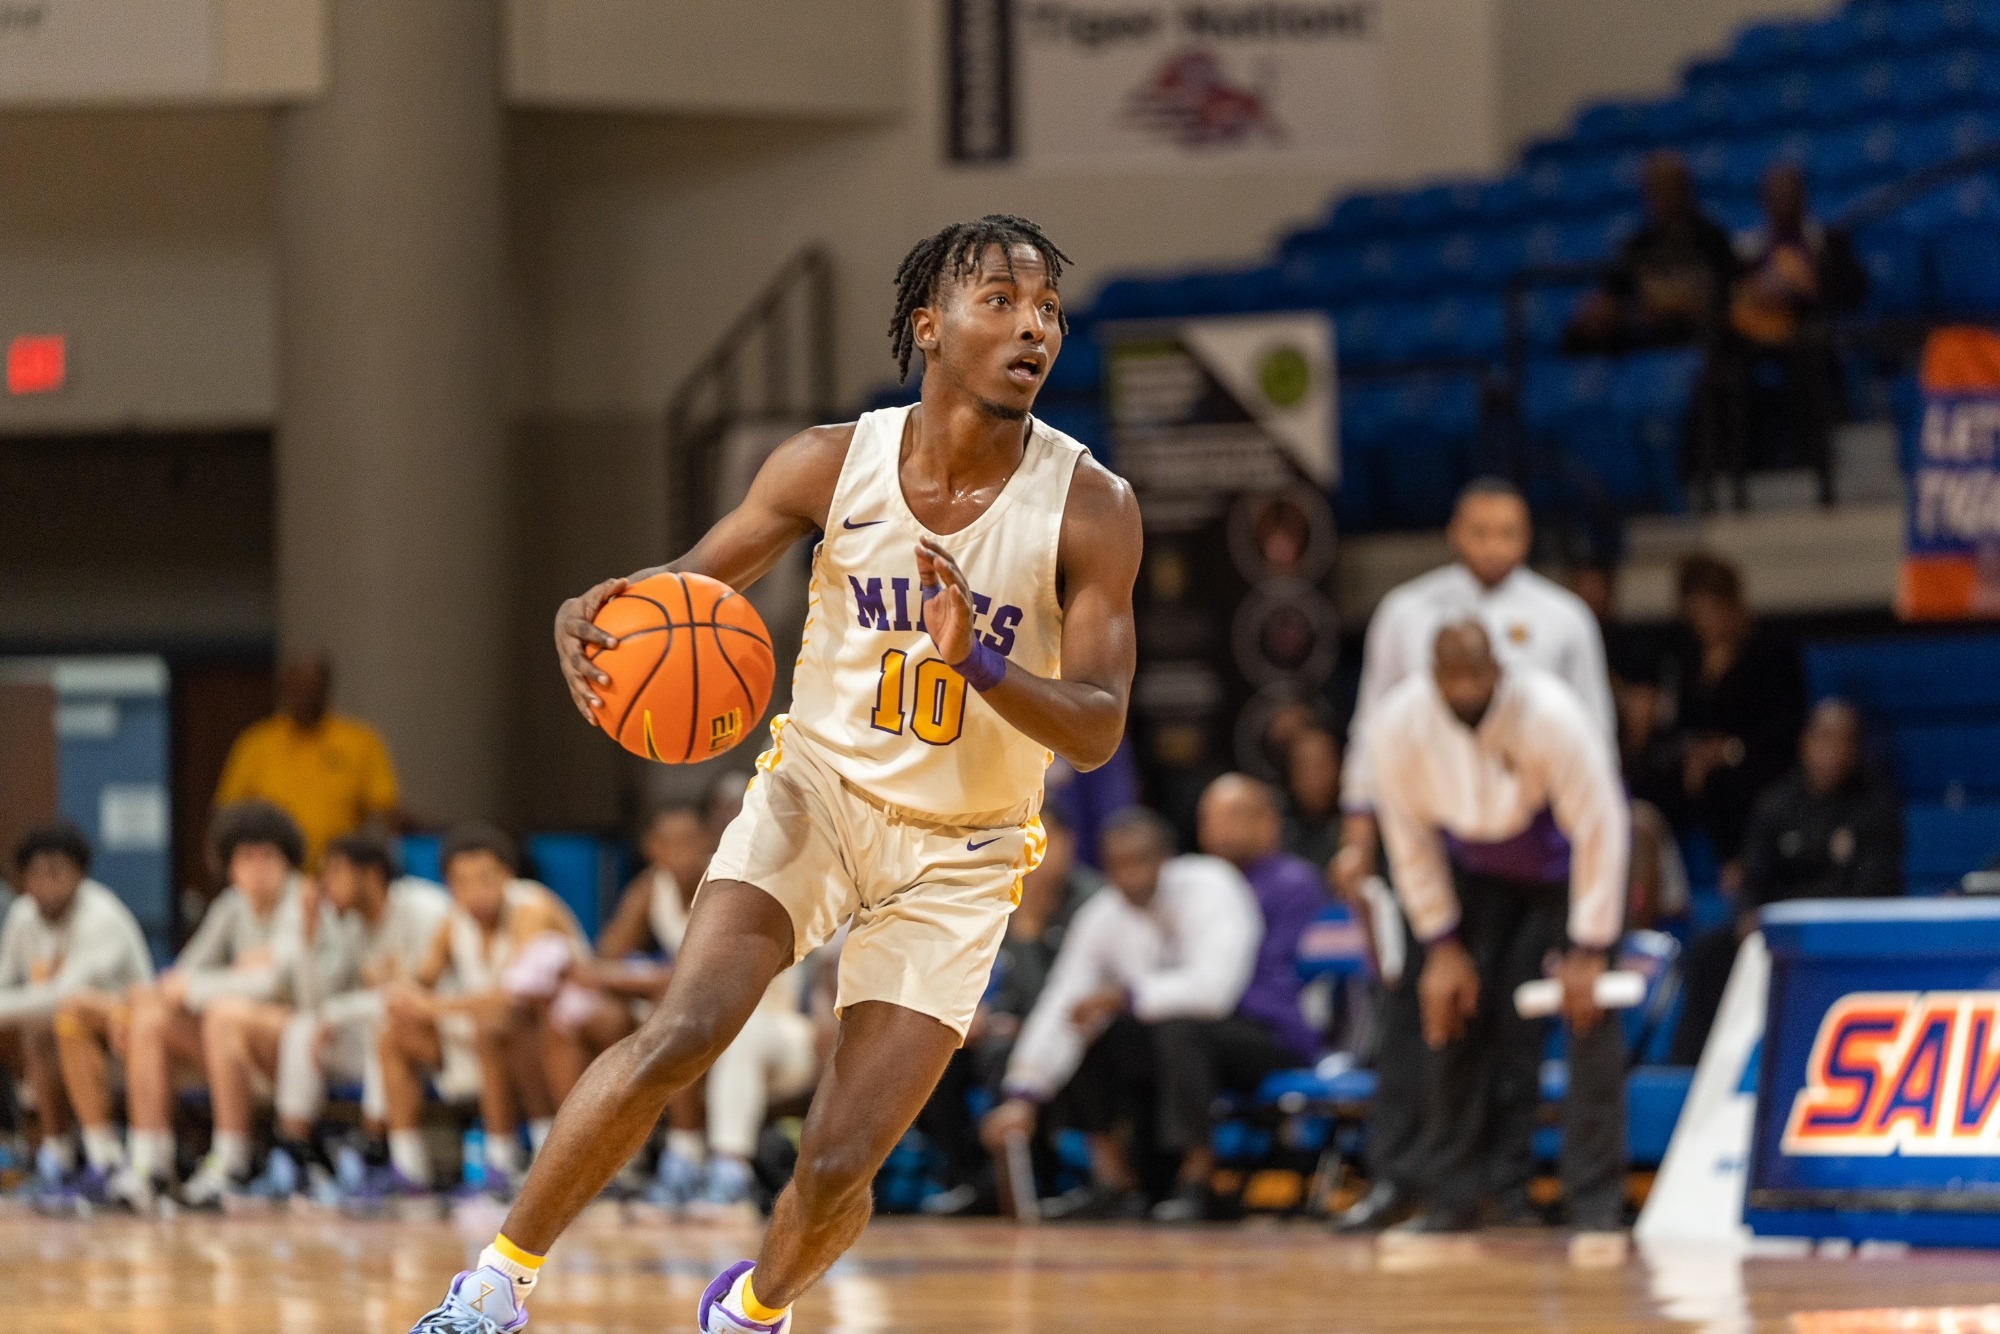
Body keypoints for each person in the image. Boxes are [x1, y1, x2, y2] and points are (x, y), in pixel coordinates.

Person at [410, 213, 1140, 1334]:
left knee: (840, 1159)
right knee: (682, 1028)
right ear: (927, 323)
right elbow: (689, 589)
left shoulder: (1090, 506)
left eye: (1046, 308)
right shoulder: (825, 461)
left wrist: (984, 662)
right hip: (818, 794)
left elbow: (1095, 728)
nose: (1032, 325)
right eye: (1000, 300)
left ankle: (749, 1312)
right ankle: (495, 1285)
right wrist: (597, 609)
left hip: (964, 850)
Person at [1330, 476, 1613, 1233]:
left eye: (1510, 532)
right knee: (1428, 1010)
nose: (1494, 546)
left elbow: (1600, 794)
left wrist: (1592, 937)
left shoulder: (1560, 628)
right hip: (1450, 847)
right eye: (1481, 531)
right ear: (1457, 531)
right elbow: (1383, 773)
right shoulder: (1405, 624)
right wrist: (1437, 936)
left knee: (1522, 1028)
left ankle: (1514, 1191)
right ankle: (1416, 1183)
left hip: (1548, 848)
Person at [1365, 621, 1630, 1234]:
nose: (1464, 687)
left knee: (1586, 1017)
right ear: (1430, 677)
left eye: (1475, 673)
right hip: (1473, 874)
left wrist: (1589, 946)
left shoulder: (1550, 714)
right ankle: (1456, 1197)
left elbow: (1601, 825)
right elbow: (1409, 843)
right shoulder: (1397, 726)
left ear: (1497, 669)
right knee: (1453, 1012)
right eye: (1450, 675)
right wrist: (1441, 945)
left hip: (1560, 868)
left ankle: (1593, 1205)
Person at [979, 808, 1263, 1224]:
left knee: (1178, 1029)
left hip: (1253, 1034)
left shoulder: (1213, 885)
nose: (1130, 876)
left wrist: (1122, 997)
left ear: (1167, 858)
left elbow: (1214, 992)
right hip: (1166, 1043)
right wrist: (1022, 1096)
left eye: (1141, 861)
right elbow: (1063, 999)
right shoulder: (1103, 913)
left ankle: (1198, 1180)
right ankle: (1114, 1182)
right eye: (1119, 865)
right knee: (1082, 1027)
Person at [51, 800, 305, 1211]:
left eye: (268, 856)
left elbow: (271, 982)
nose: (257, 868)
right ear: (229, 866)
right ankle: (149, 1164)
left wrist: (199, 986)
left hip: (299, 1042)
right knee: (149, 1019)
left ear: (288, 862)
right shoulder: (231, 907)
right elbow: (179, 977)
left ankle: (233, 1160)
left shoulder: (302, 903)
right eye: (246, 856)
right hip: (235, 1042)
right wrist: (142, 1004)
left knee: (223, 1012)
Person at [1669, 699, 1902, 1064]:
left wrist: (1794, 918)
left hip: (1844, 939)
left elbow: (1875, 890)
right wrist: (1751, 914)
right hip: (1777, 936)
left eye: (1840, 741)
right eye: (1821, 738)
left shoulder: (1877, 807)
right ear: (1805, 744)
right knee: (1709, 951)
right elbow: (1752, 881)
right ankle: (1688, 1070)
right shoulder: (1777, 804)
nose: (1828, 751)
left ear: (1855, 751)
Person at [374, 824, 585, 1202]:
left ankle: (516, 1161)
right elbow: (424, 981)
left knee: (502, 1025)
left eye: (485, 880)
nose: (475, 893)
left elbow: (517, 995)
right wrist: (398, 987)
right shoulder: (453, 920)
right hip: (494, 1037)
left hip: (566, 1039)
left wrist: (432, 1006)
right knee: (393, 1033)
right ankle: (408, 1169)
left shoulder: (531, 909)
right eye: (462, 882)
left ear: (508, 875)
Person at [916, 803, 1102, 1217]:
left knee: (1009, 1055)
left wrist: (1029, 932)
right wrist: (974, 1010)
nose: (1031, 849)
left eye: (1042, 836)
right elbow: (978, 970)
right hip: (1008, 1023)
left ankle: (1045, 1177)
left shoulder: (1091, 902)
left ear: (1068, 843)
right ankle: (968, 1176)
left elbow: (1060, 995)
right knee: (939, 1047)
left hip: (1073, 1030)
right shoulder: (1001, 891)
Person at [245, 829, 451, 1199]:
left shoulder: (425, 908)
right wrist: (309, 932)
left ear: (371, 875)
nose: (325, 885)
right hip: (384, 1043)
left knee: (383, 1024)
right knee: (303, 1027)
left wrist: (337, 1014)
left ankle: (374, 1154)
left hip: (441, 1038)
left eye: (336, 872)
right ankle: (294, 1156)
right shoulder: (348, 925)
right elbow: (315, 1006)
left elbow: (415, 996)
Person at [1707, 161, 1870, 506]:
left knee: (1811, 360)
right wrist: (1754, 293)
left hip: (1808, 336)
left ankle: (1823, 479)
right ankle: (1734, 484)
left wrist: (1808, 287)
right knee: (1725, 372)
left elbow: (1855, 291)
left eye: (1789, 195)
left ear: (1804, 198)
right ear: (1763, 203)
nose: (1782, 203)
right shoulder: (1748, 248)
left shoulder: (1828, 242)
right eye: (1774, 197)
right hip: (1755, 338)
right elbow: (1725, 300)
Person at [0, 823, 153, 1191]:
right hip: (62, 1035)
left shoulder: (102, 917)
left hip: (125, 1033)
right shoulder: (22, 916)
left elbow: (63, 994)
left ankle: (106, 1157)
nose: (44, 884)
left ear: (79, 874)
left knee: (69, 1012)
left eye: (55, 872)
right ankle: (57, 1154)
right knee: (38, 1027)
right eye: (34, 874)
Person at [1654, 553, 1805, 875]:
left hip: (1759, 761)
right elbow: (1681, 723)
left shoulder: (1771, 652)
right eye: (1696, 615)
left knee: (1727, 782)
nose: (1704, 623)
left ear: (1731, 605)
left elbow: (1785, 728)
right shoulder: (1689, 658)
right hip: (1699, 767)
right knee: (1651, 780)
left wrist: (1727, 751)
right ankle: (1652, 876)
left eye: (1711, 611)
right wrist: (1694, 750)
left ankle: (1742, 866)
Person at [215, 656, 401, 868]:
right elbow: (228, 812)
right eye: (297, 686)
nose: (304, 694)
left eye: (312, 686)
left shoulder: (360, 742)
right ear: (283, 689)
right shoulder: (256, 744)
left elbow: (385, 809)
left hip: (338, 873)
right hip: (273, 874)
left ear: (326, 688)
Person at [1565, 150, 1740, 354]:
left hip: (1699, 336)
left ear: (1686, 189)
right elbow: (1614, 290)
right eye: (1654, 188)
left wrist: (1675, 303)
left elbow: (1728, 295)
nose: (1662, 195)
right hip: (1646, 335)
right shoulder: (1639, 244)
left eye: (1669, 186)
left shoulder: (1712, 237)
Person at [1280, 725, 1342, 872]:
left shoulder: (1361, 828)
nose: (1317, 777)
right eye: (1307, 766)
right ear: (1292, 775)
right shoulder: (1280, 832)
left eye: (1323, 765)